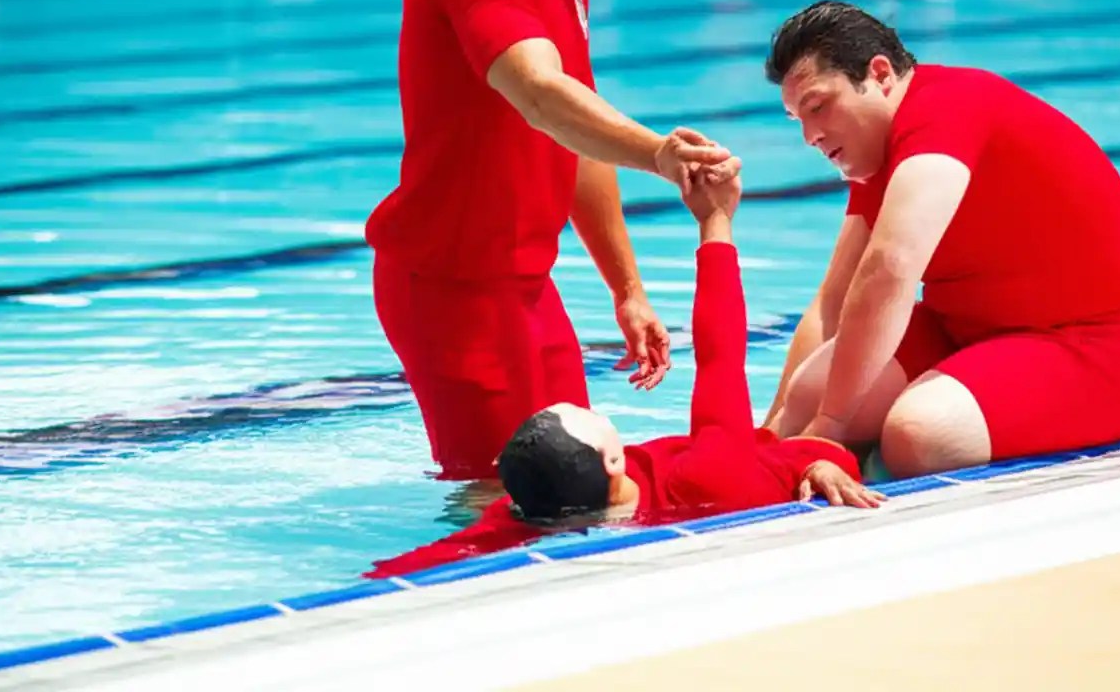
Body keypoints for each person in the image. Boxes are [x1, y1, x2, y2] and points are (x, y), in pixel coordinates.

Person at [364, 161, 885, 579]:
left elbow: (432, 558)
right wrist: (716, 224)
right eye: (577, 415)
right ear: (614, 462)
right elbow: (719, 352)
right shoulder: (707, 474)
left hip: (752, 461)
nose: (568, 401)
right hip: (803, 460)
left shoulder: (530, 511)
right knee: (829, 389)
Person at [760, 2, 1120, 478]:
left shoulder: (946, 111)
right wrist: (776, 431)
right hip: (966, 332)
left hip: (1099, 349)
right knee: (806, 393)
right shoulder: (877, 153)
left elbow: (890, 269)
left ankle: (868, 463)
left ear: (879, 74)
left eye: (818, 107)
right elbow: (831, 303)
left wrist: (827, 433)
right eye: (799, 120)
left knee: (918, 435)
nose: (811, 136)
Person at [365, 0, 736, 480]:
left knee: (586, 481)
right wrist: (656, 154)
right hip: (451, 293)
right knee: (501, 495)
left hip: (529, 287)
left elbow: (579, 133)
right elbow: (540, 94)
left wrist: (627, 289)